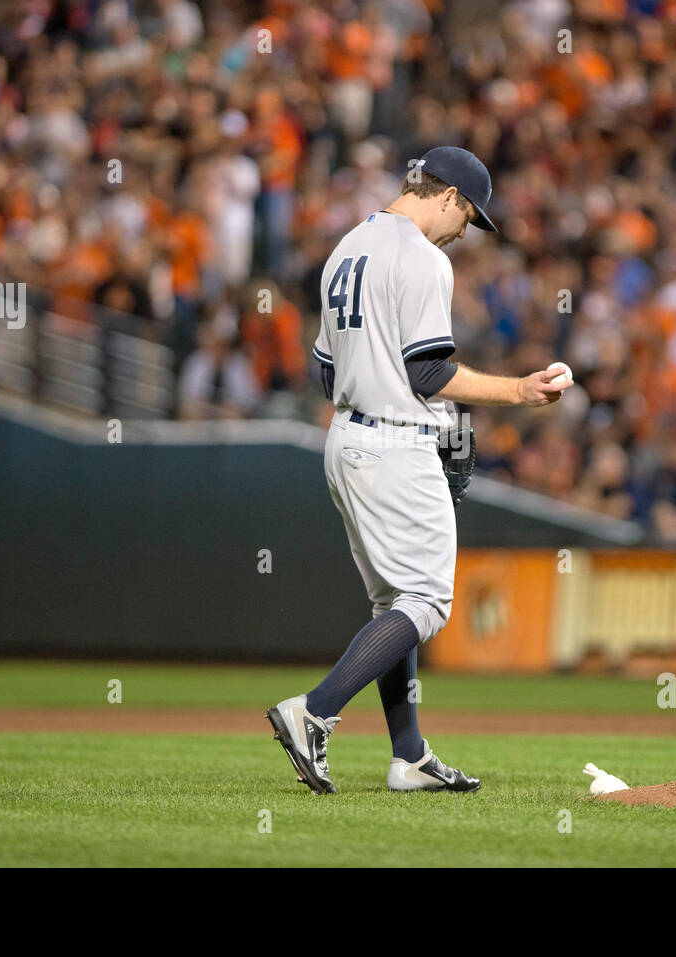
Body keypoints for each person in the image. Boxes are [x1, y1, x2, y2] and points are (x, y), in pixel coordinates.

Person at [266, 147, 572, 794]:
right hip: (395, 444)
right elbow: (428, 372)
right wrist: (519, 392)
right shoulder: (423, 257)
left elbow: (326, 371)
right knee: (428, 601)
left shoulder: (348, 247)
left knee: (395, 602)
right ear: (451, 197)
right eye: (470, 215)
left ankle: (408, 753)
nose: (467, 231)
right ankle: (313, 710)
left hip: (347, 440)